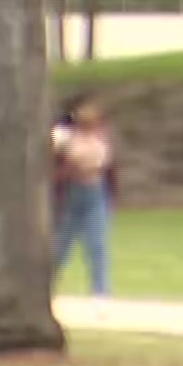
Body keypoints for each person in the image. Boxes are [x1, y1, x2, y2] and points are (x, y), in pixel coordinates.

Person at [51, 94, 116, 297]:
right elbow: (57, 163)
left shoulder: (101, 137)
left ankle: (100, 293)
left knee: (96, 244)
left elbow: (105, 164)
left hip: (95, 193)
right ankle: (45, 289)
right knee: (60, 246)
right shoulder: (63, 135)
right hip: (71, 193)